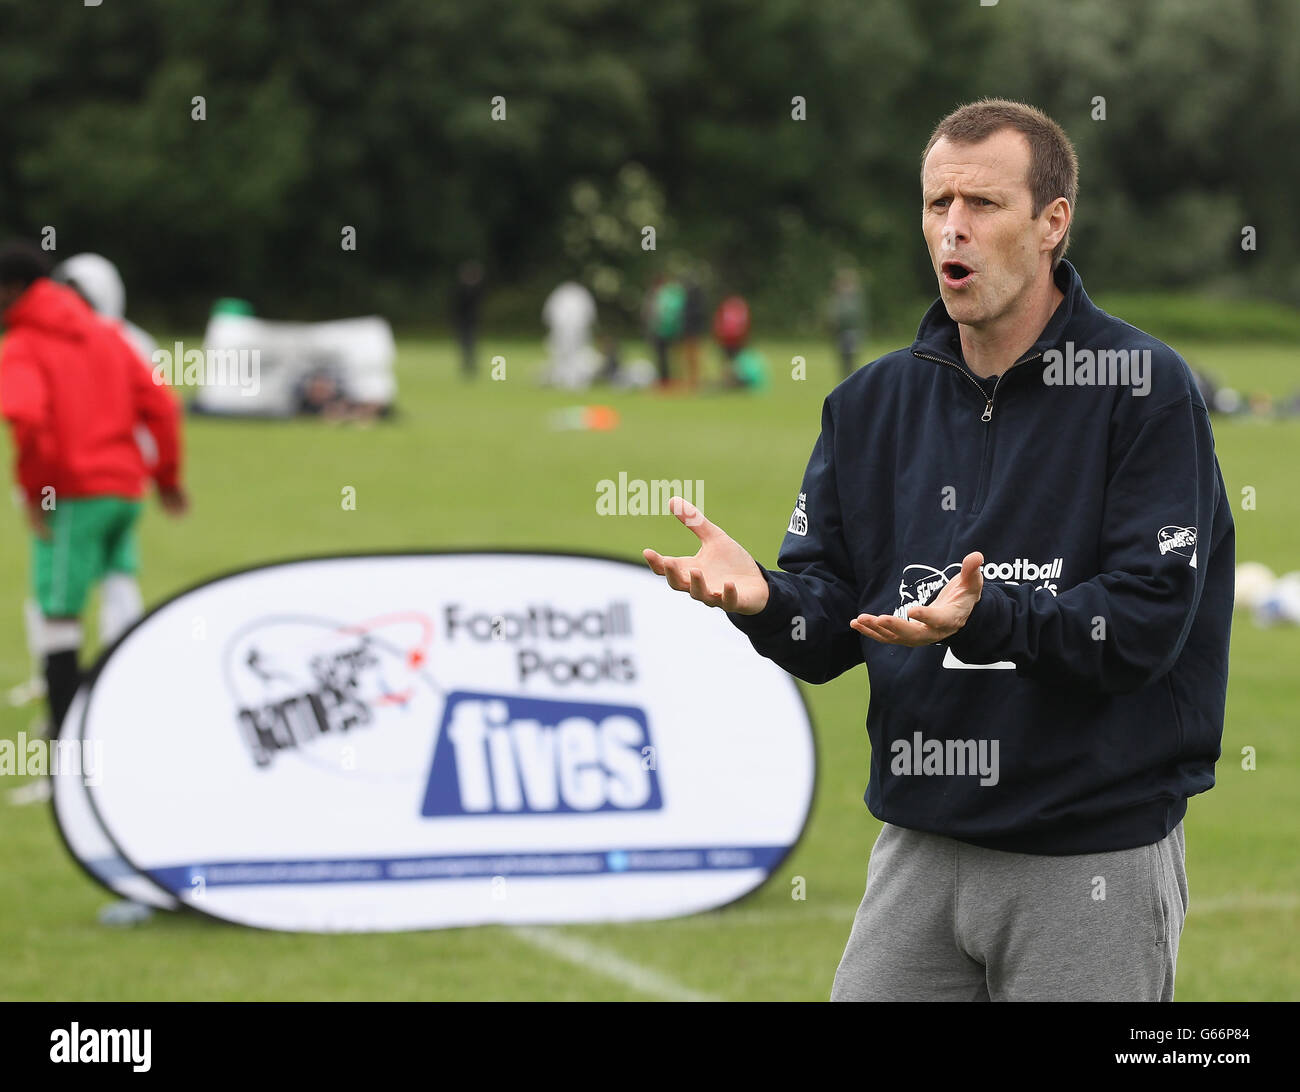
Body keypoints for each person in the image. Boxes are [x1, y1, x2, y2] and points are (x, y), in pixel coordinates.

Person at [642, 99, 1234, 1002]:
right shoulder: (869, 404)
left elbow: (1145, 625)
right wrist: (763, 600)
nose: (951, 227)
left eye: (983, 205)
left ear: (1052, 224)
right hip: (919, 849)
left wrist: (989, 616)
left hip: (1089, 856)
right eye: (935, 203)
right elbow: (833, 628)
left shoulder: (1143, 391)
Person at [0, 241, 186, 741]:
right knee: (119, 584)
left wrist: (37, 496)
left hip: (72, 493)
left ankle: (65, 749)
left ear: (14, 289)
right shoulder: (109, 334)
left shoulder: (23, 343)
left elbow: (28, 421)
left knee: (57, 611)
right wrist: (166, 479)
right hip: (125, 490)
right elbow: (163, 407)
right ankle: (126, 706)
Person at [828, 268, 867, 380]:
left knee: (851, 360)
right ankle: (846, 380)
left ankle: (852, 380)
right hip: (841, 334)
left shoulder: (853, 300)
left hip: (851, 333)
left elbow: (854, 317)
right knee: (843, 361)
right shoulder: (838, 299)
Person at [451, 260, 484, 380]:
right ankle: (467, 364)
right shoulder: (462, 289)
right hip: (463, 321)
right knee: (464, 344)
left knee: (470, 344)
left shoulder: (472, 289)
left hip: (470, 321)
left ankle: (470, 365)